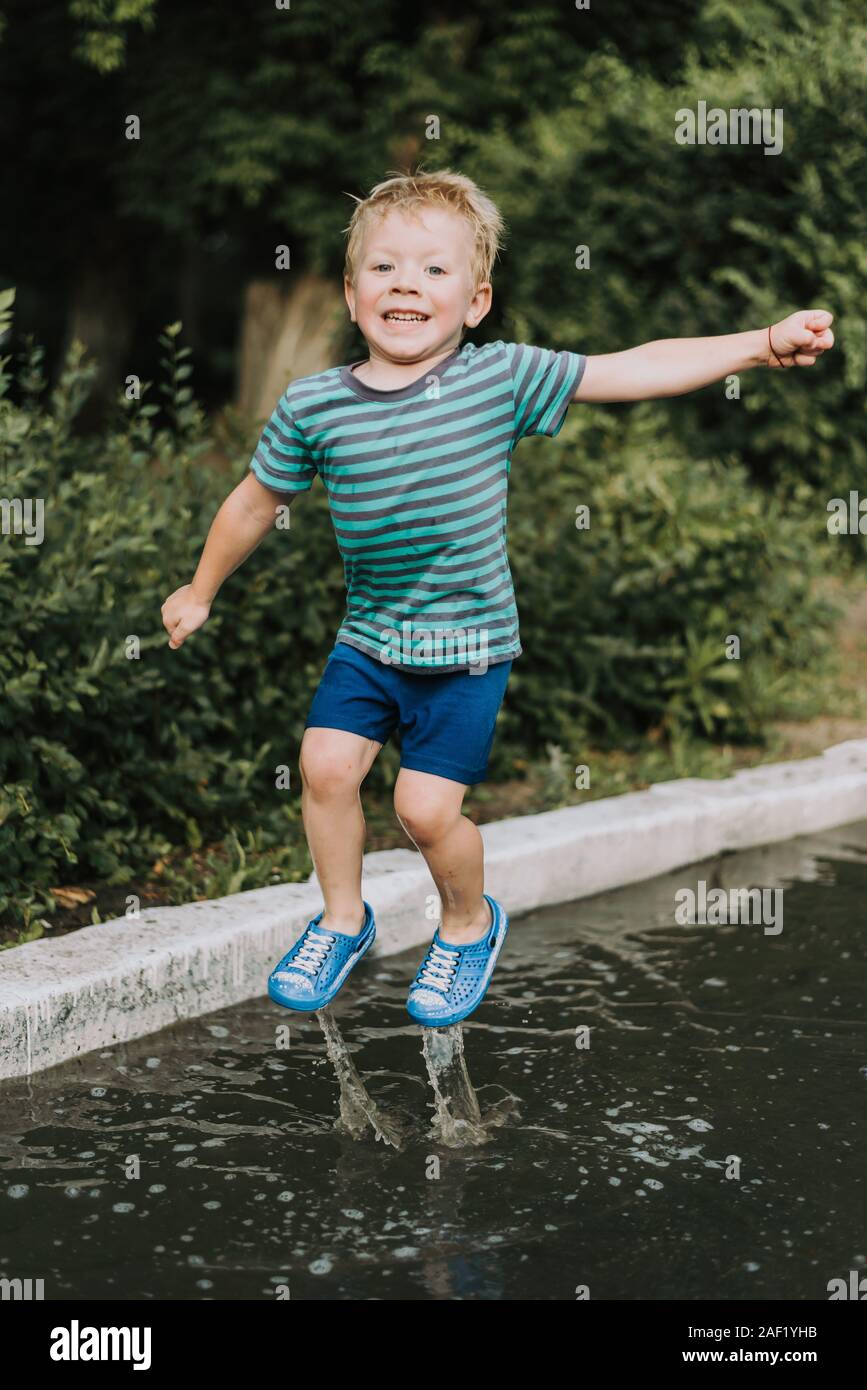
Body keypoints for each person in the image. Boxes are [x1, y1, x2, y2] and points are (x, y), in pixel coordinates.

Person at [161, 169, 834, 1028]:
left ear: (475, 302)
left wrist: (757, 344)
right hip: (369, 639)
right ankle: (341, 918)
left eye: (433, 270)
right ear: (350, 290)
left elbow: (629, 369)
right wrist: (200, 586)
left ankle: (467, 923)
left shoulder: (498, 379)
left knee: (423, 811)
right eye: (385, 267)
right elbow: (258, 500)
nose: (406, 282)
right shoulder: (315, 405)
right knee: (324, 769)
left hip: (467, 649)